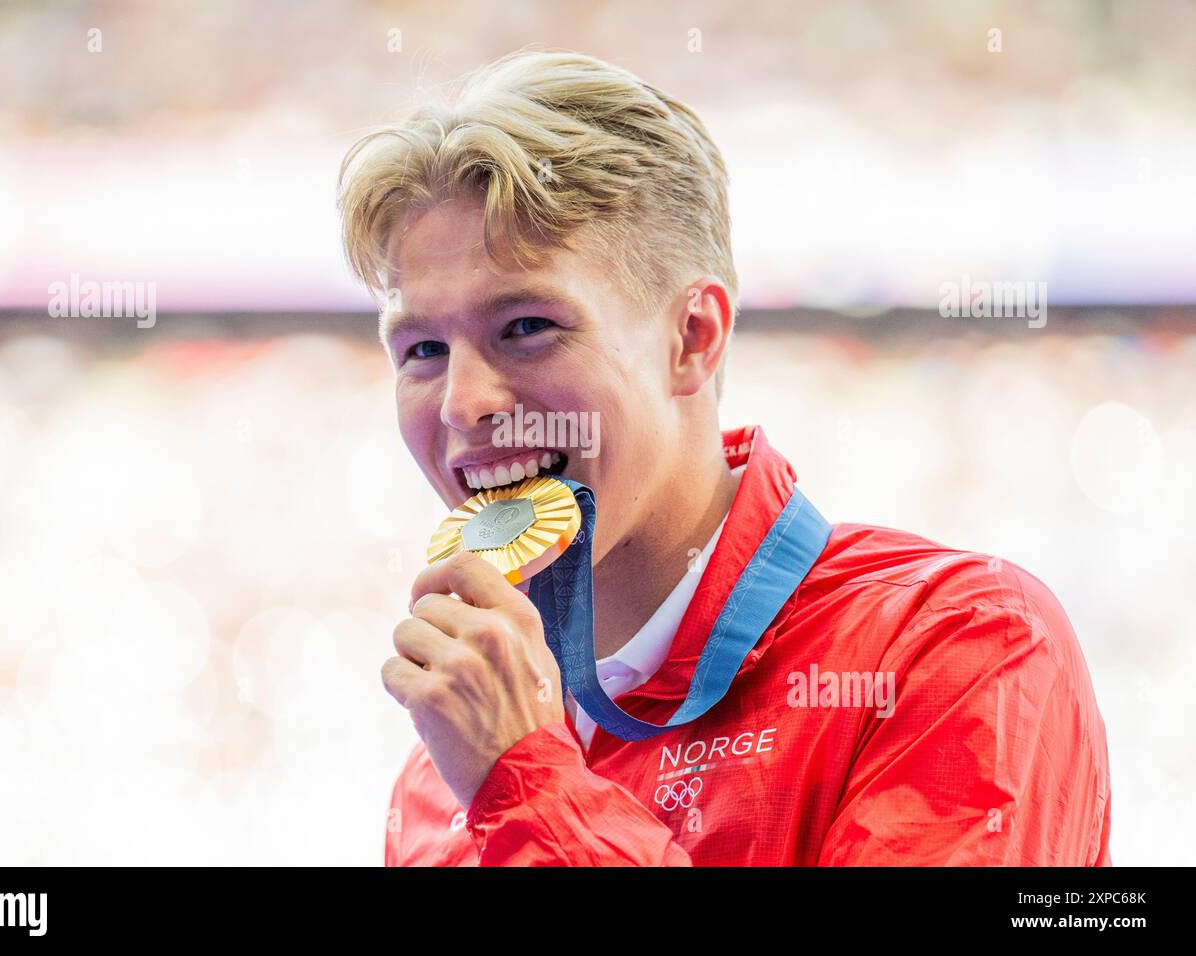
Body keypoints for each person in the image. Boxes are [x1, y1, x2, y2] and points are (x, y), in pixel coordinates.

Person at [336, 49, 1112, 866]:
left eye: (527, 327)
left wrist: (528, 784)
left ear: (692, 338)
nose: (463, 403)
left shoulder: (955, 646)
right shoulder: (440, 773)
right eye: (421, 347)